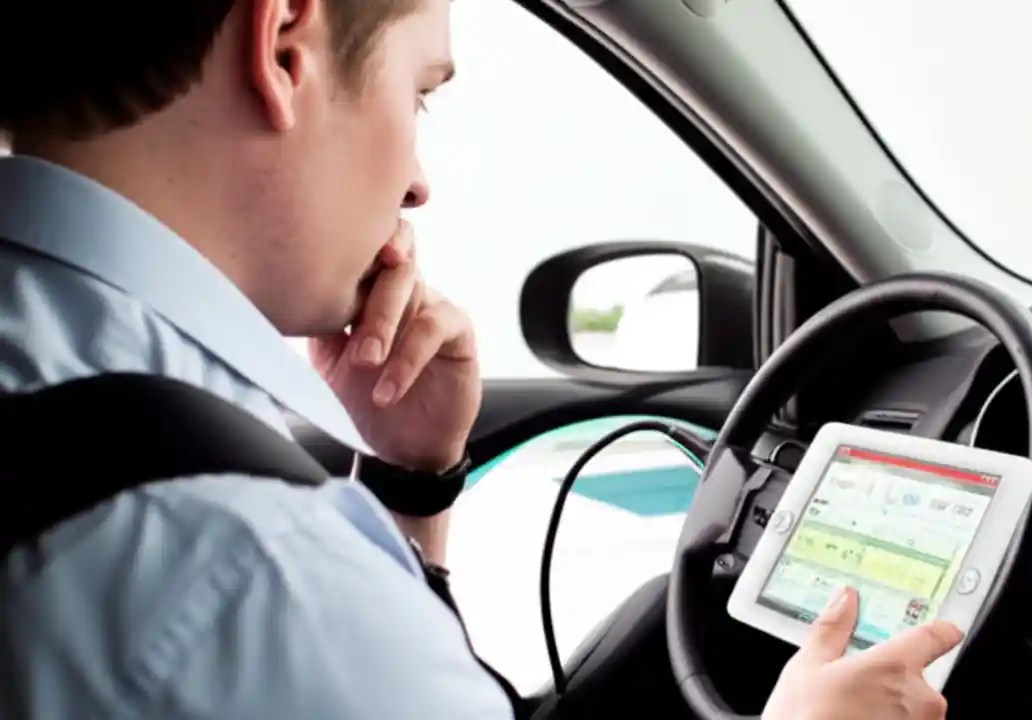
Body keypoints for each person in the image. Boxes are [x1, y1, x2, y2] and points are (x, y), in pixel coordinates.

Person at [0, 1, 962, 717]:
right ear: (284, 46)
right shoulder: (251, 565)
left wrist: (409, 481)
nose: (419, 182)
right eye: (421, 95)